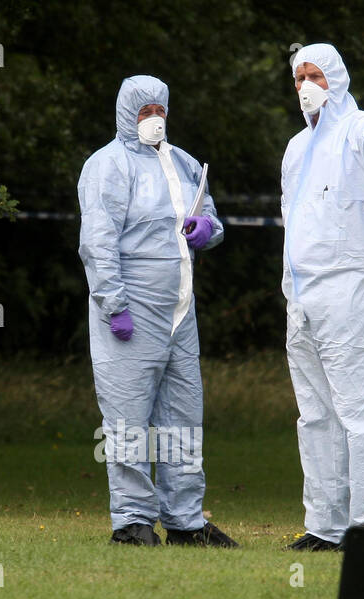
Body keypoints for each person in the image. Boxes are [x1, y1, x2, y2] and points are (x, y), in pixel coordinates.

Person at [77, 75, 239, 548]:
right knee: (128, 419)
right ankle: (131, 520)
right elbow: (98, 242)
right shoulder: (107, 166)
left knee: (182, 418)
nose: (154, 119)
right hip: (129, 310)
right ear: (126, 113)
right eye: (144, 111)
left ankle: (186, 520)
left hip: (179, 312)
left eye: (160, 110)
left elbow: (211, 217)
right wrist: (113, 303)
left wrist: (205, 228)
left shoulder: (183, 162)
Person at [281, 44, 364, 552]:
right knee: (315, 418)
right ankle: (324, 527)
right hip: (302, 296)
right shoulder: (294, 149)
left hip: (353, 291)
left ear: (336, 79)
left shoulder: (359, 129)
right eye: (298, 77)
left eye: (316, 76)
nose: (307, 85)